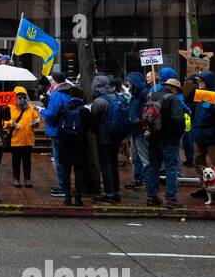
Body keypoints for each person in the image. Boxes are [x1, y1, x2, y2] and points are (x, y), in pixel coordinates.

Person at [145, 74, 187, 208]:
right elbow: (179, 121)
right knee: (171, 168)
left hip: (152, 137)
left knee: (153, 167)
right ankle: (171, 198)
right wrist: (177, 136)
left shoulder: (152, 95)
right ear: (174, 89)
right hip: (169, 140)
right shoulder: (172, 99)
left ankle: (151, 197)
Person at [48, 80, 88, 206]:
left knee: (65, 171)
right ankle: (78, 198)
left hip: (64, 143)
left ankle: (67, 197)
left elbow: (54, 122)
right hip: (80, 144)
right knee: (79, 171)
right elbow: (91, 125)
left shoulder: (63, 108)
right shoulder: (84, 110)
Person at [89, 74, 128, 204]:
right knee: (114, 164)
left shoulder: (99, 101)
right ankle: (116, 192)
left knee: (105, 166)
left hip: (104, 138)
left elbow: (94, 120)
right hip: (117, 137)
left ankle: (108, 193)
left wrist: (93, 131)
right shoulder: (120, 98)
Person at [42, 70, 72, 196]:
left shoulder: (56, 94)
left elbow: (51, 113)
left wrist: (41, 110)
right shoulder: (68, 92)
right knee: (64, 160)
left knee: (59, 160)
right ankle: (65, 186)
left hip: (56, 130)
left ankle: (63, 187)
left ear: (54, 80)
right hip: (67, 129)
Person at [6, 86, 40, 188]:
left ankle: (27, 179)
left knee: (27, 161)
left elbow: (37, 119)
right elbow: (4, 122)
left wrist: (36, 123)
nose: (22, 100)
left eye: (24, 97)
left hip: (28, 139)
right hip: (15, 140)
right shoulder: (10, 107)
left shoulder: (30, 107)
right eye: (20, 97)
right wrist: (12, 123)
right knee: (16, 161)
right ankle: (16, 179)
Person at [124, 71, 150, 189]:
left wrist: (135, 120)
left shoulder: (144, 94)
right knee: (135, 157)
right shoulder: (134, 94)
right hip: (134, 130)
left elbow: (146, 113)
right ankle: (137, 178)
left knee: (144, 157)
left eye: (129, 81)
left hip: (140, 129)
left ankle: (146, 181)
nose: (127, 83)